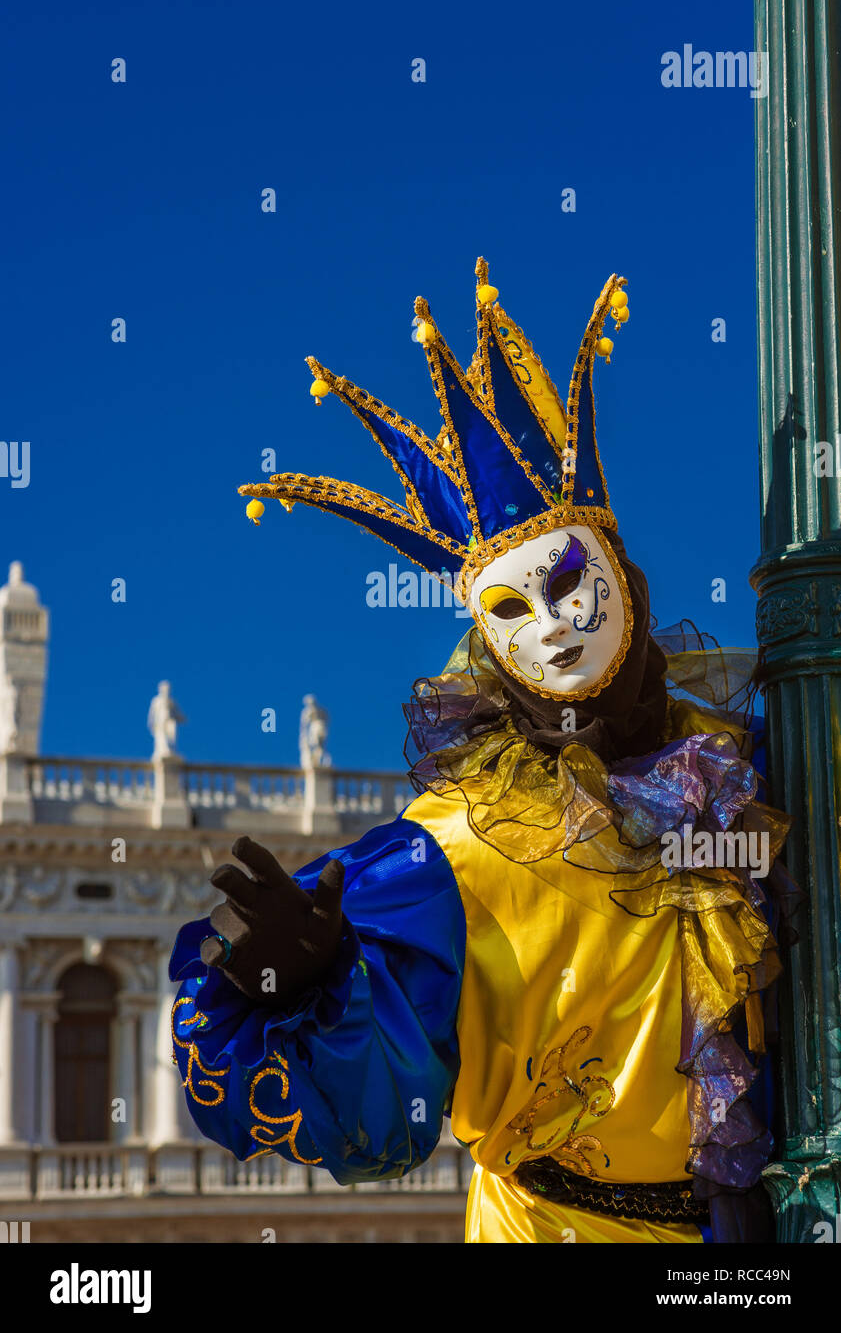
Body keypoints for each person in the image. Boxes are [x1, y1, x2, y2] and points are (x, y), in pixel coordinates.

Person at [170, 260, 792, 1243]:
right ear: (481, 632)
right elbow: (383, 1131)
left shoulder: (748, 766)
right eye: (509, 605)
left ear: (623, 581)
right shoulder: (449, 851)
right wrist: (308, 989)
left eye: (569, 582)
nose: (549, 626)